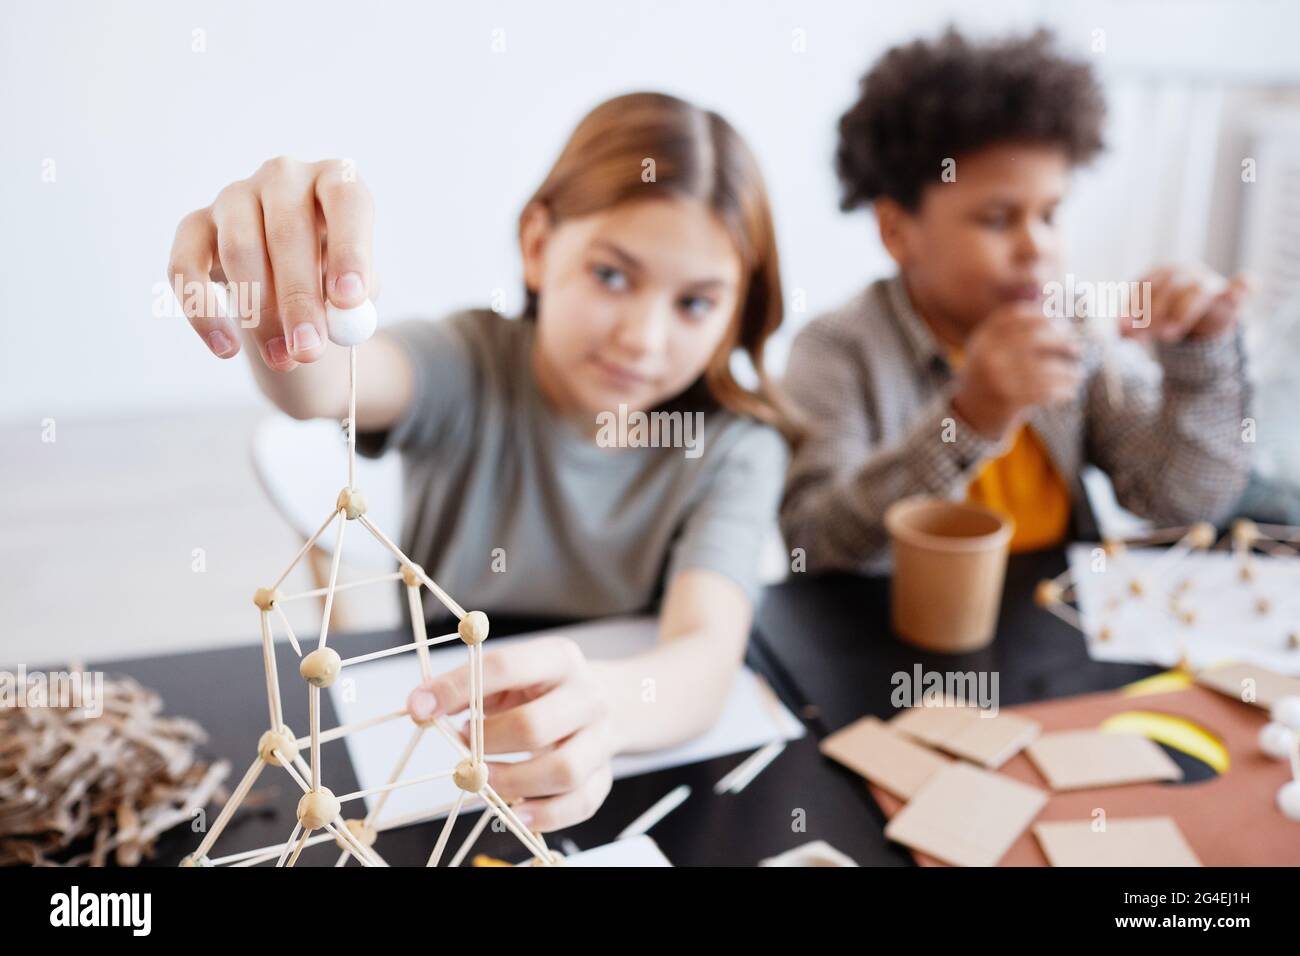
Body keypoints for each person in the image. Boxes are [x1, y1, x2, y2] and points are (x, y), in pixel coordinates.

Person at [166, 92, 796, 831]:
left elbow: (705, 656)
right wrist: (282, 291)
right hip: (438, 749)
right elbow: (323, 385)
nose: (642, 339)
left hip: (639, 771)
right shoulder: (467, 366)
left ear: (738, 308)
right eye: (613, 276)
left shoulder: (733, 447)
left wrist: (603, 711)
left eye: (695, 304)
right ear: (537, 243)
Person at [780, 29, 1252, 572]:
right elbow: (812, 545)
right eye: (997, 219)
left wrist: (1201, 359)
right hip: (891, 639)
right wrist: (968, 418)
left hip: (1055, 622)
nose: (1038, 247)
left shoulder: (1066, 326)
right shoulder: (837, 350)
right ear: (896, 231)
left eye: (1050, 215)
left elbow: (1179, 501)